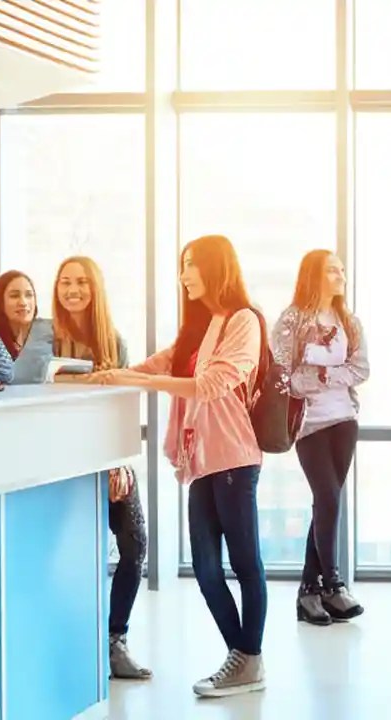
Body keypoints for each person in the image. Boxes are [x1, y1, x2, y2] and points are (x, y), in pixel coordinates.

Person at [93, 234, 267, 698]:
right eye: (182, 265)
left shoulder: (242, 321)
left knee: (246, 564)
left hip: (233, 457)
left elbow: (210, 384)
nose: (183, 274)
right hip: (200, 462)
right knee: (208, 570)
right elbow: (157, 364)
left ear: (215, 268)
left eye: (190, 264)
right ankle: (243, 658)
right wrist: (107, 376)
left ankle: (248, 658)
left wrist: (137, 380)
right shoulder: (197, 329)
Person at [42, 256, 150, 680]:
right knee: (64, 552)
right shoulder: (45, 338)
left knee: (135, 545)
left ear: (95, 288)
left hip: (107, 456)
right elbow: (42, 390)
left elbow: (118, 406)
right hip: (62, 460)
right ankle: (64, 641)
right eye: (65, 281)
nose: (73, 289)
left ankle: (114, 640)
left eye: (82, 282)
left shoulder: (114, 341)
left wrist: (117, 462)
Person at [270, 249, 369, 625]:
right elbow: (285, 375)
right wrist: (327, 373)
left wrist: (323, 374)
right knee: (326, 498)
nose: (340, 275)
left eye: (342, 269)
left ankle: (308, 593)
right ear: (314, 275)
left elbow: (361, 369)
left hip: (344, 420)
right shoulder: (291, 320)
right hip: (309, 424)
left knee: (326, 504)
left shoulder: (348, 320)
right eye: (332, 270)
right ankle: (333, 585)